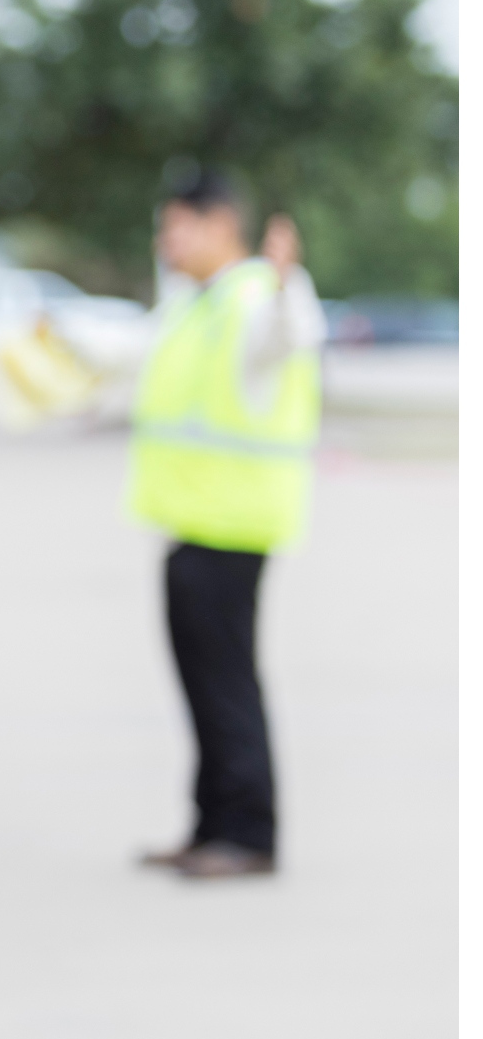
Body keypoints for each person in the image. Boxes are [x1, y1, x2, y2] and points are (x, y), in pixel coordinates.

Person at [130, 169, 323, 880]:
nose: (166, 241)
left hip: (233, 527)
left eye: (176, 225)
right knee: (201, 684)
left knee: (226, 683)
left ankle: (247, 833)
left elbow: (287, 337)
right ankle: (211, 822)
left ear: (219, 227)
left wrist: (282, 285)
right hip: (191, 524)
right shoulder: (196, 304)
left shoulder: (255, 298)